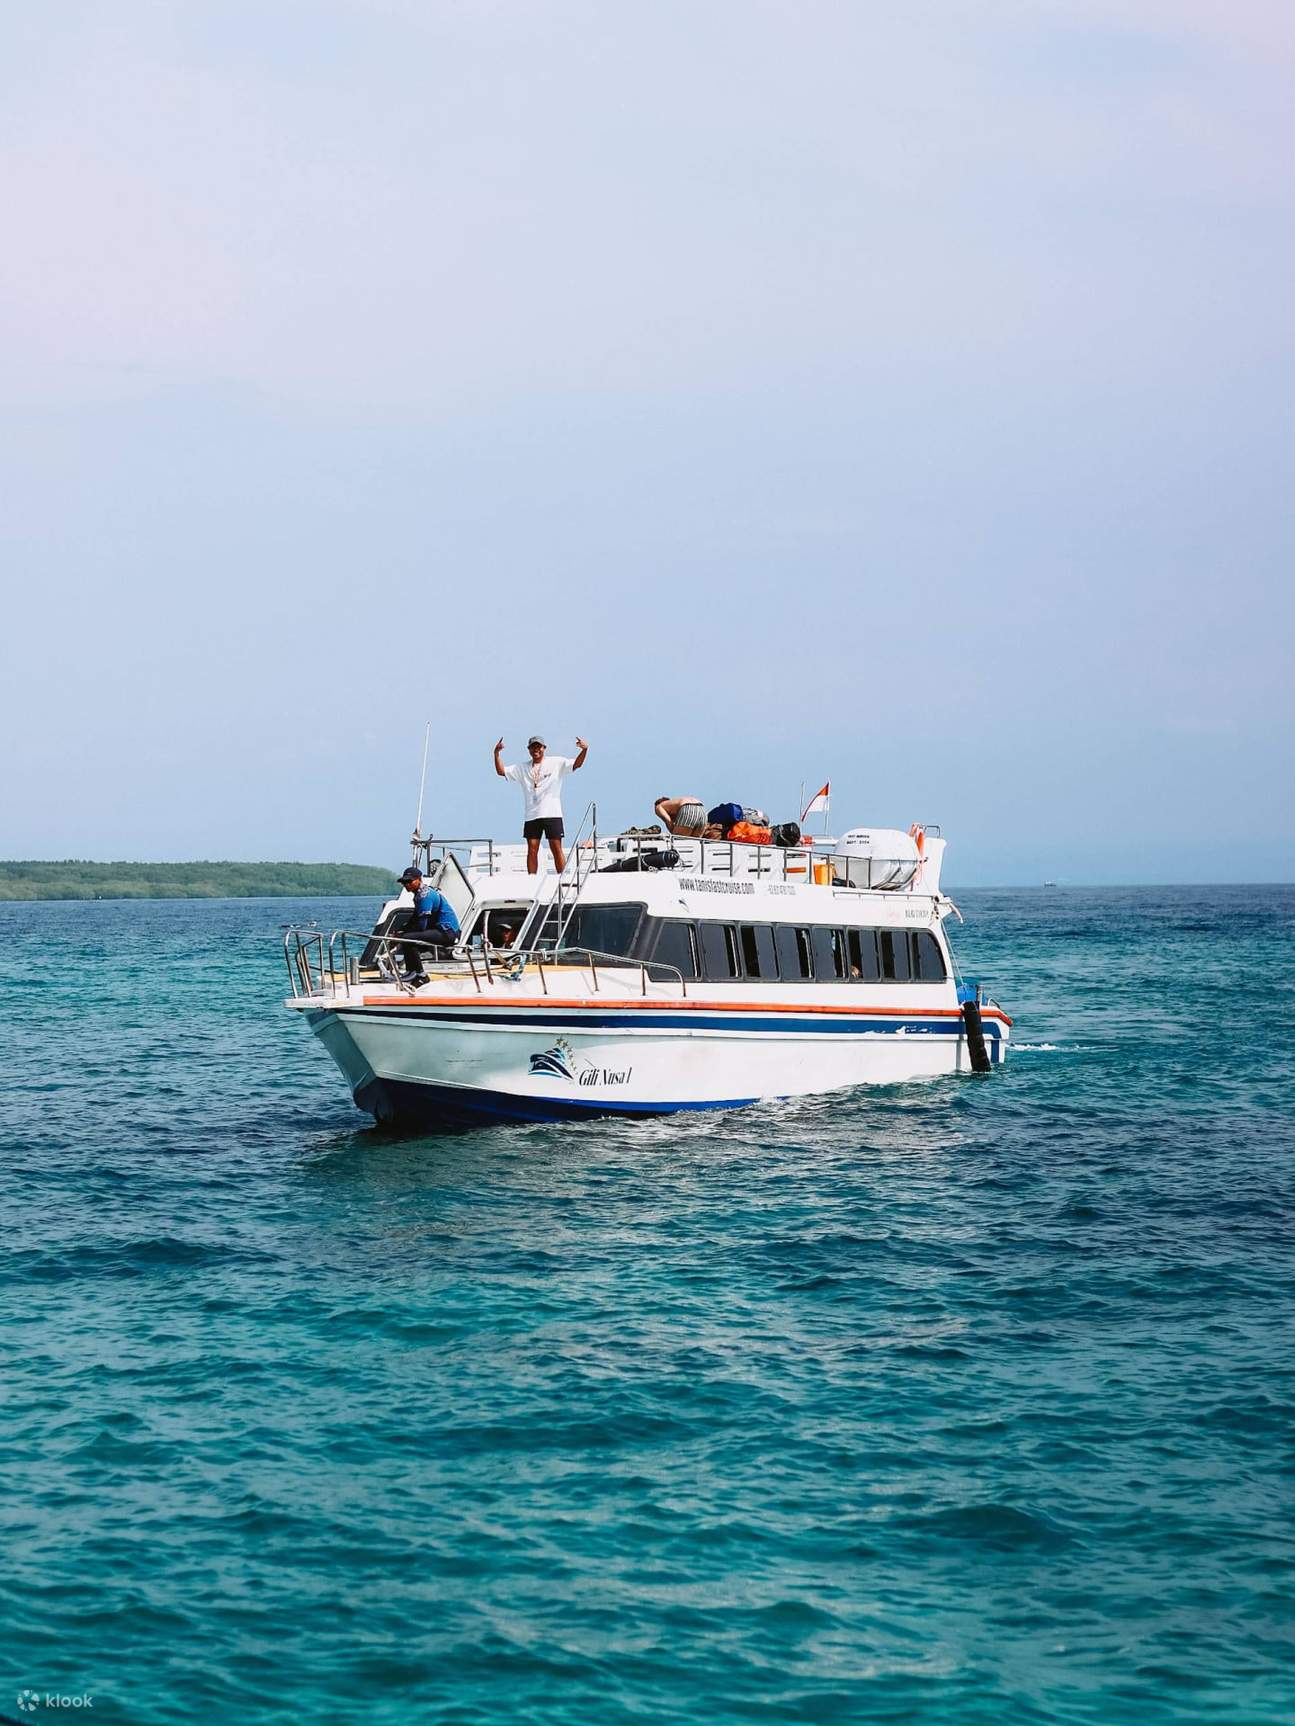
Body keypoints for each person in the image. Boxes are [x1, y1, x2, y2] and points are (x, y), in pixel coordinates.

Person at [494, 733, 589, 873]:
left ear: (544, 748)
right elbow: (501, 771)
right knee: (532, 849)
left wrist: (584, 750)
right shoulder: (522, 767)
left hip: (552, 813)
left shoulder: (556, 762)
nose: (536, 750)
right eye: (533, 747)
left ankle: (561, 879)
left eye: (538, 747)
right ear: (529, 750)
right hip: (532, 815)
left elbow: (576, 764)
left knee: (556, 847)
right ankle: (532, 879)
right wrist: (496, 754)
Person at [395, 864, 460, 984]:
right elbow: (415, 918)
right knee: (408, 940)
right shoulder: (419, 894)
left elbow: (422, 925)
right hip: (440, 930)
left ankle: (420, 974)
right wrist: (401, 930)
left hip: (448, 932)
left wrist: (403, 935)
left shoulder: (425, 896)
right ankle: (411, 971)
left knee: (407, 939)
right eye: (404, 882)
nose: (406, 885)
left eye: (409, 881)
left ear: (419, 880)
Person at [653, 795, 719, 838]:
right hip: (702, 809)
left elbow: (668, 821)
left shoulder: (659, 807)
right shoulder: (674, 804)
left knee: (678, 840)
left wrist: (674, 834)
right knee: (695, 843)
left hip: (688, 808)